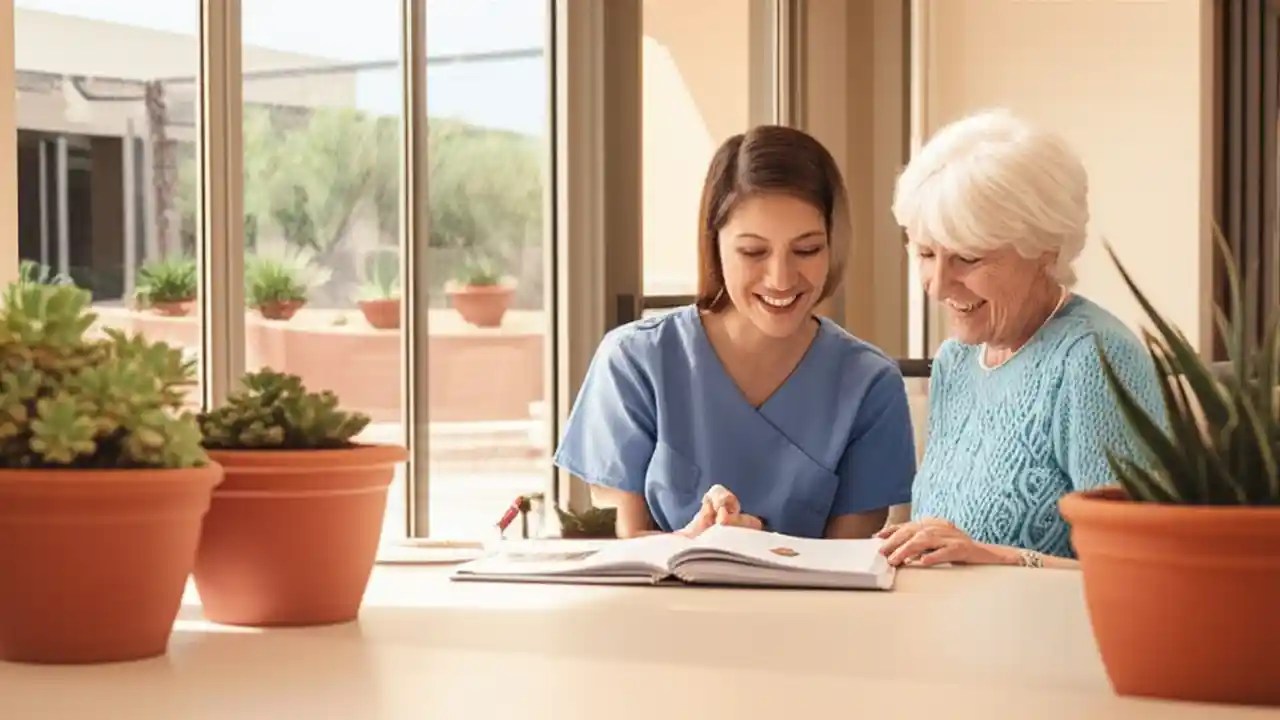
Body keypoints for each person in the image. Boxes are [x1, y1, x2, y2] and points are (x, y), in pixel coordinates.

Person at [553, 125, 917, 540]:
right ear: (715, 244)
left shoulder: (870, 385)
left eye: (807, 250)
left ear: (834, 245)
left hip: (812, 608)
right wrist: (692, 544)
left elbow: (849, 564)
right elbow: (621, 545)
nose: (781, 278)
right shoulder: (635, 361)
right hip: (655, 605)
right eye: (753, 252)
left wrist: (757, 552)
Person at [877, 108, 1165, 569]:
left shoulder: (1094, 361)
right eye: (926, 253)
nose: (936, 283)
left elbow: (1141, 568)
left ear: (1043, 252)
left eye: (967, 258)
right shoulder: (958, 360)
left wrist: (992, 556)